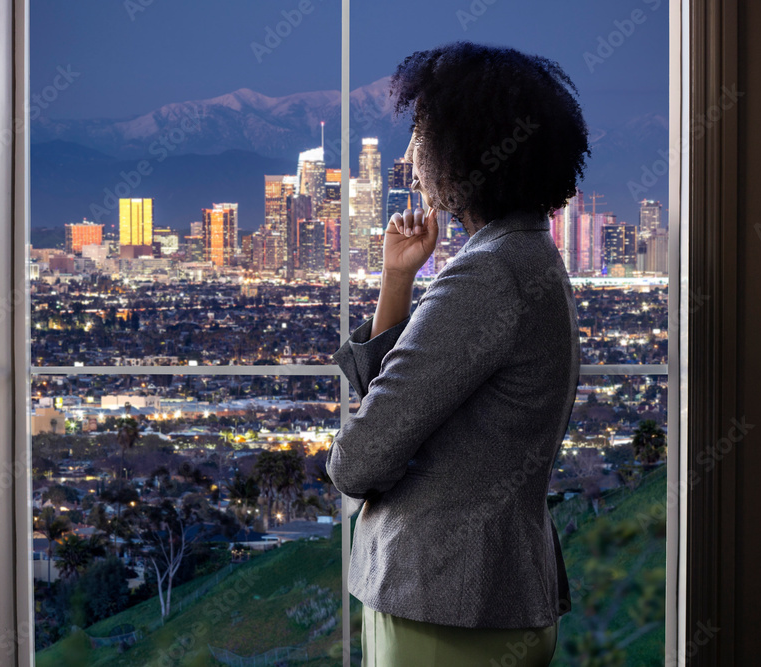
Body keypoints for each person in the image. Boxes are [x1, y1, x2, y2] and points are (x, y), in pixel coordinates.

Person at [327, 40, 591, 666]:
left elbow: (357, 460)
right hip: (491, 596)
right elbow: (402, 400)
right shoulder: (529, 257)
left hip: (443, 603)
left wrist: (362, 447)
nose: (410, 153)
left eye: (420, 132)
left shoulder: (488, 276)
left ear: (462, 151)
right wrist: (398, 282)